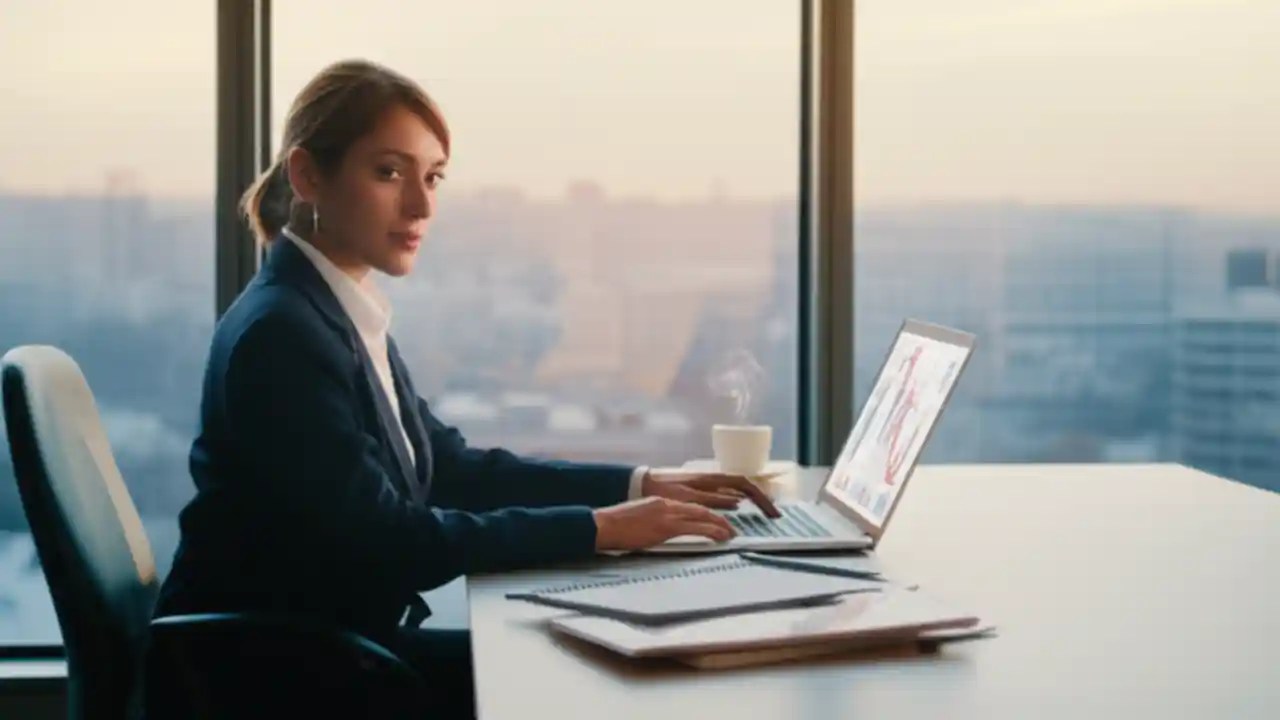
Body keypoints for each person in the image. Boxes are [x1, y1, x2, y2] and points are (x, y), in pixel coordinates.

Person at [152, 58, 778, 719]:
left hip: (326, 650)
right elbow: (389, 541)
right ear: (309, 176)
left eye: (433, 178)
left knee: (586, 660)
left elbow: (449, 470)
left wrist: (638, 486)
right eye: (389, 173)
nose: (422, 207)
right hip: (275, 679)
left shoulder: (329, 309)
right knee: (591, 674)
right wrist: (597, 529)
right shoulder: (283, 334)